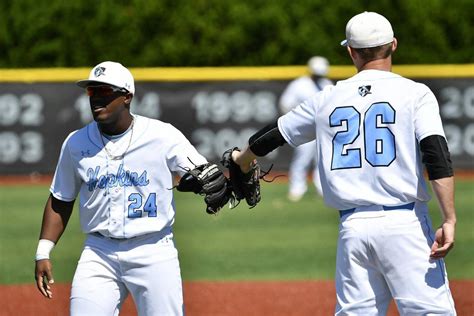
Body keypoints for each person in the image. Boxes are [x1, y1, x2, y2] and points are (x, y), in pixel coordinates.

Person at [230, 11, 457, 315]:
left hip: (353, 229)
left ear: (350, 52)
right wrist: (449, 219)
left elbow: (273, 134)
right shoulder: (415, 93)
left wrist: (239, 161)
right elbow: (437, 156)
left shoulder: (328, 97)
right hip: (405, 223)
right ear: (394, 45)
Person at [34, 61, 229, 315]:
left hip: (153, 250)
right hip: (98, 252)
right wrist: (43, 251)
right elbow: (61, 198)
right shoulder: (76, 142)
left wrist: (225, 180)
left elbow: (207, 176)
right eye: (92, 91)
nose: (96, 99)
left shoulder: (162, 136)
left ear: (127, 97)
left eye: (105, 92)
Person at [279, 56, 333, 201]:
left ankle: (322, 189)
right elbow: (285, 103)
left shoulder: (326, 84)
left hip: (323, 129)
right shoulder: (299, 84)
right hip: (305, 127)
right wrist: (295, 121)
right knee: (302, 159)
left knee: (323, 160)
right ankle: (297, 188)